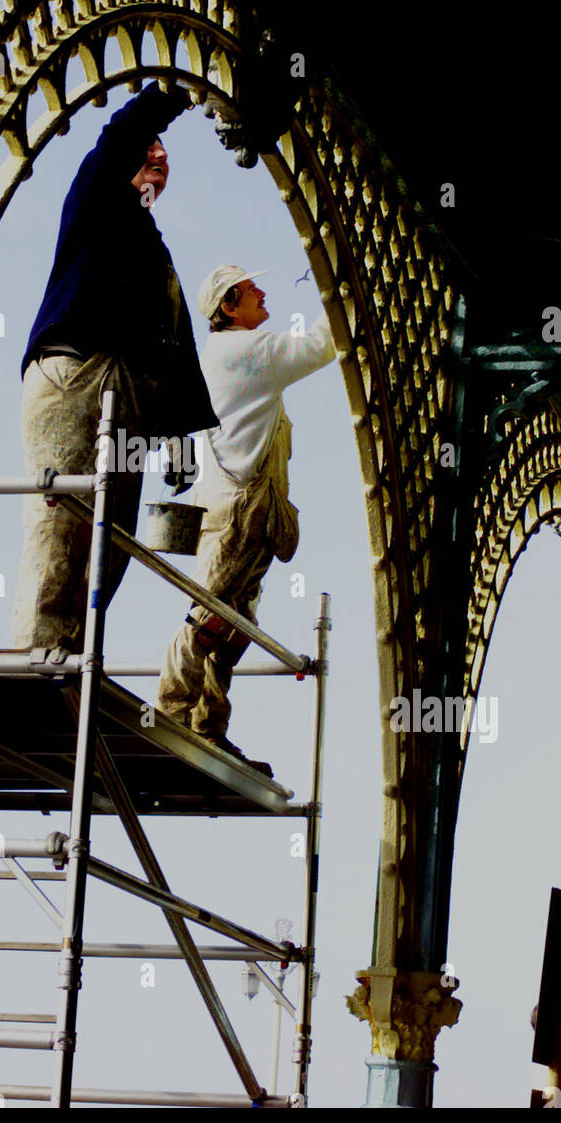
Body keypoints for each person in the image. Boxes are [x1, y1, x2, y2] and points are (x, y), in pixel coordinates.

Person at [12, 80, 217, 654]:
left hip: (125, 397)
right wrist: (170, 95)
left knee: (109, 537)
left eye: (164, 155)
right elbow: (118, 136)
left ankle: (71, 658)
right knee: (64, 519)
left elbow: (174, 346)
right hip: (78, 375)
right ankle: (39, 656)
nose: (159, 157)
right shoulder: (97, 193)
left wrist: (179, 439)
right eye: (149, 151)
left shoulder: (153, 251)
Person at [156, 264, 336, 763]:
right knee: (207, 616)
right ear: (229, 308)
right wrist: (345, 291)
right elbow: (323, 343)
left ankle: (205, 727)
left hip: (242, 510)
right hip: (239, 512)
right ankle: (172, 718)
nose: (262, 289)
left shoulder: (226, 354)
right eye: (249, 288)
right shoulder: (246, 353)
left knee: (230, 624)